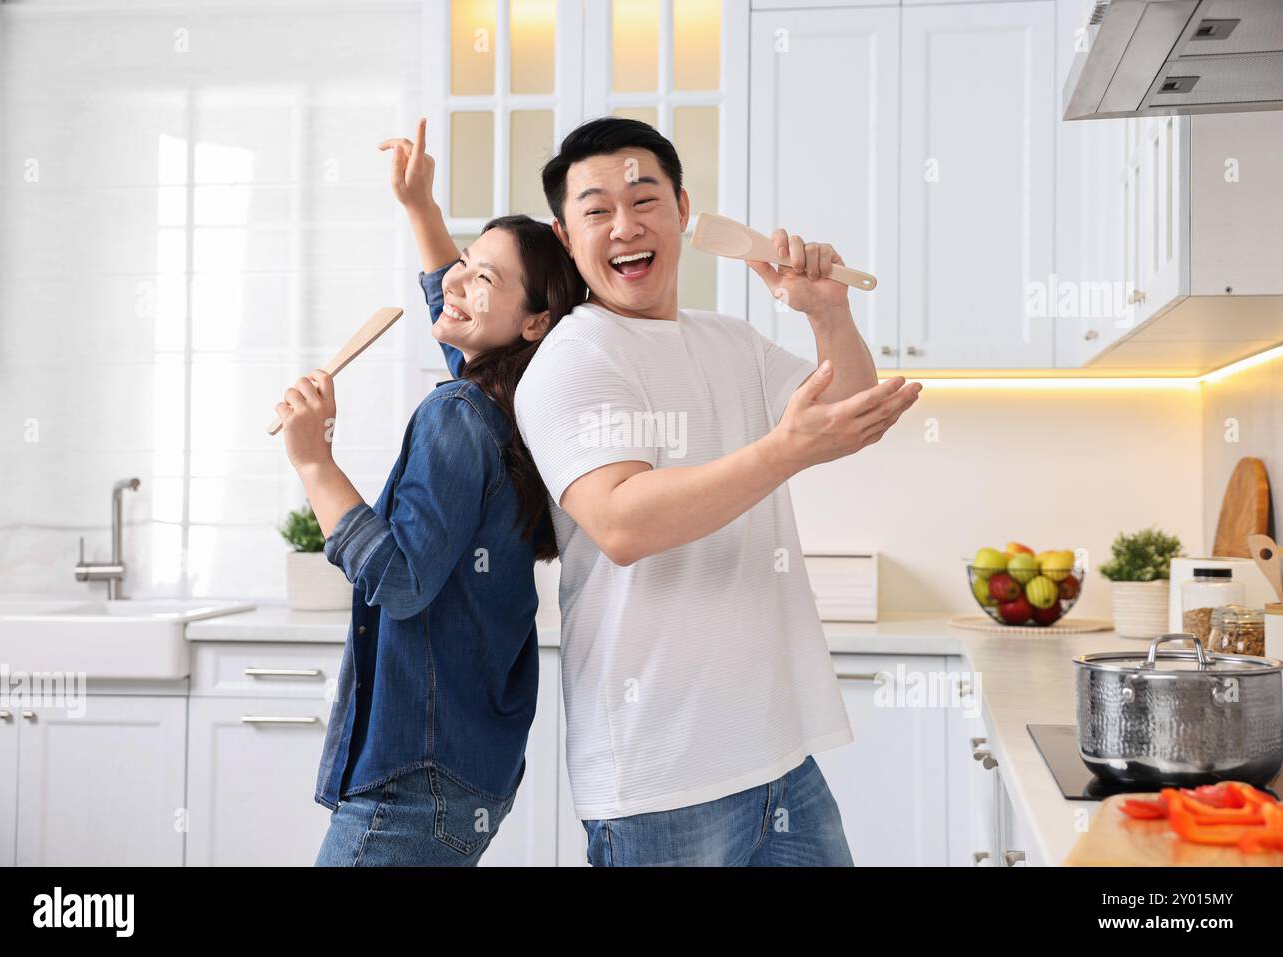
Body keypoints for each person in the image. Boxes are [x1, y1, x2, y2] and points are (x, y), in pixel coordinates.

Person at [514, 117, 923, 866]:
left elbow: (851, 413)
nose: (625, 226)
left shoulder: (729, 340)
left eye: (645, 200)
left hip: (780, 760)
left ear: (682, 209)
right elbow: (621, 522)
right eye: (597, 210)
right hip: (657, 783)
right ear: (565, 236)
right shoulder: (573, 359)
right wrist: (781, 451)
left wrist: (828, 310)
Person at [274, 118, 585, 865]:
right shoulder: (524, 400)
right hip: (471, 770)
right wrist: (422, 211)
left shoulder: (457, 414)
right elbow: (463, 320)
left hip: (412, 779)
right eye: (467, 262)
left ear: (537, 319)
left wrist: (315, 463)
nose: (458, 280)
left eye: (486, 275)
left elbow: (402, 580)